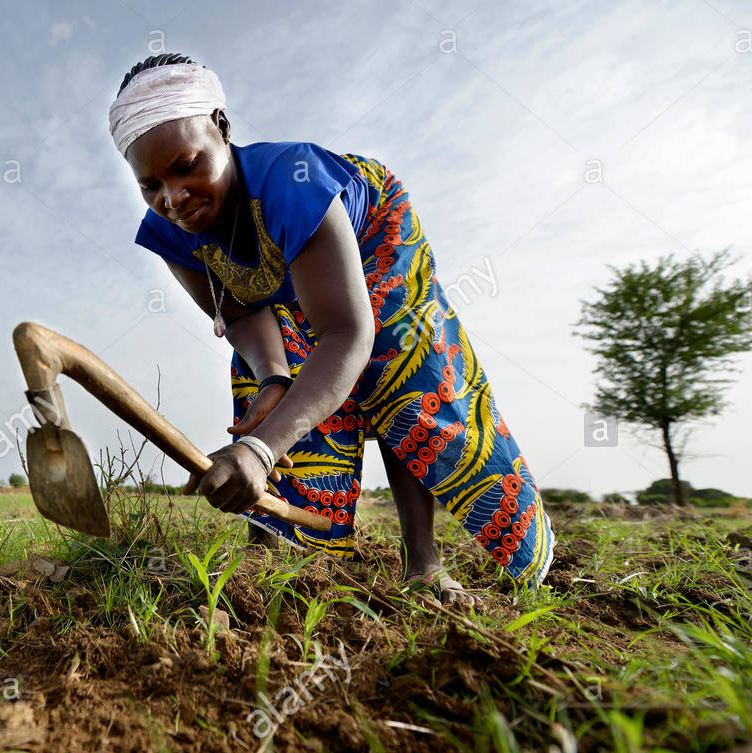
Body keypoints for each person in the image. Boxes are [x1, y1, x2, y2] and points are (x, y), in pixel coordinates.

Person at [110, 54, 556, 604]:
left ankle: (423, 562)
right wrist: (274, 379)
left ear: (222, 129)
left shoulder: (290, 183)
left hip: (374, 237)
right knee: (275, 388)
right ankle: (283, 546)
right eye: (150, 184)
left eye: (187, 165)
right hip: (283, 278)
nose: (173, 197)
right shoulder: (168, 228)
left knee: (397, 376)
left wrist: (259, 452)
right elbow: (243, 314)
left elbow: (347, 335)